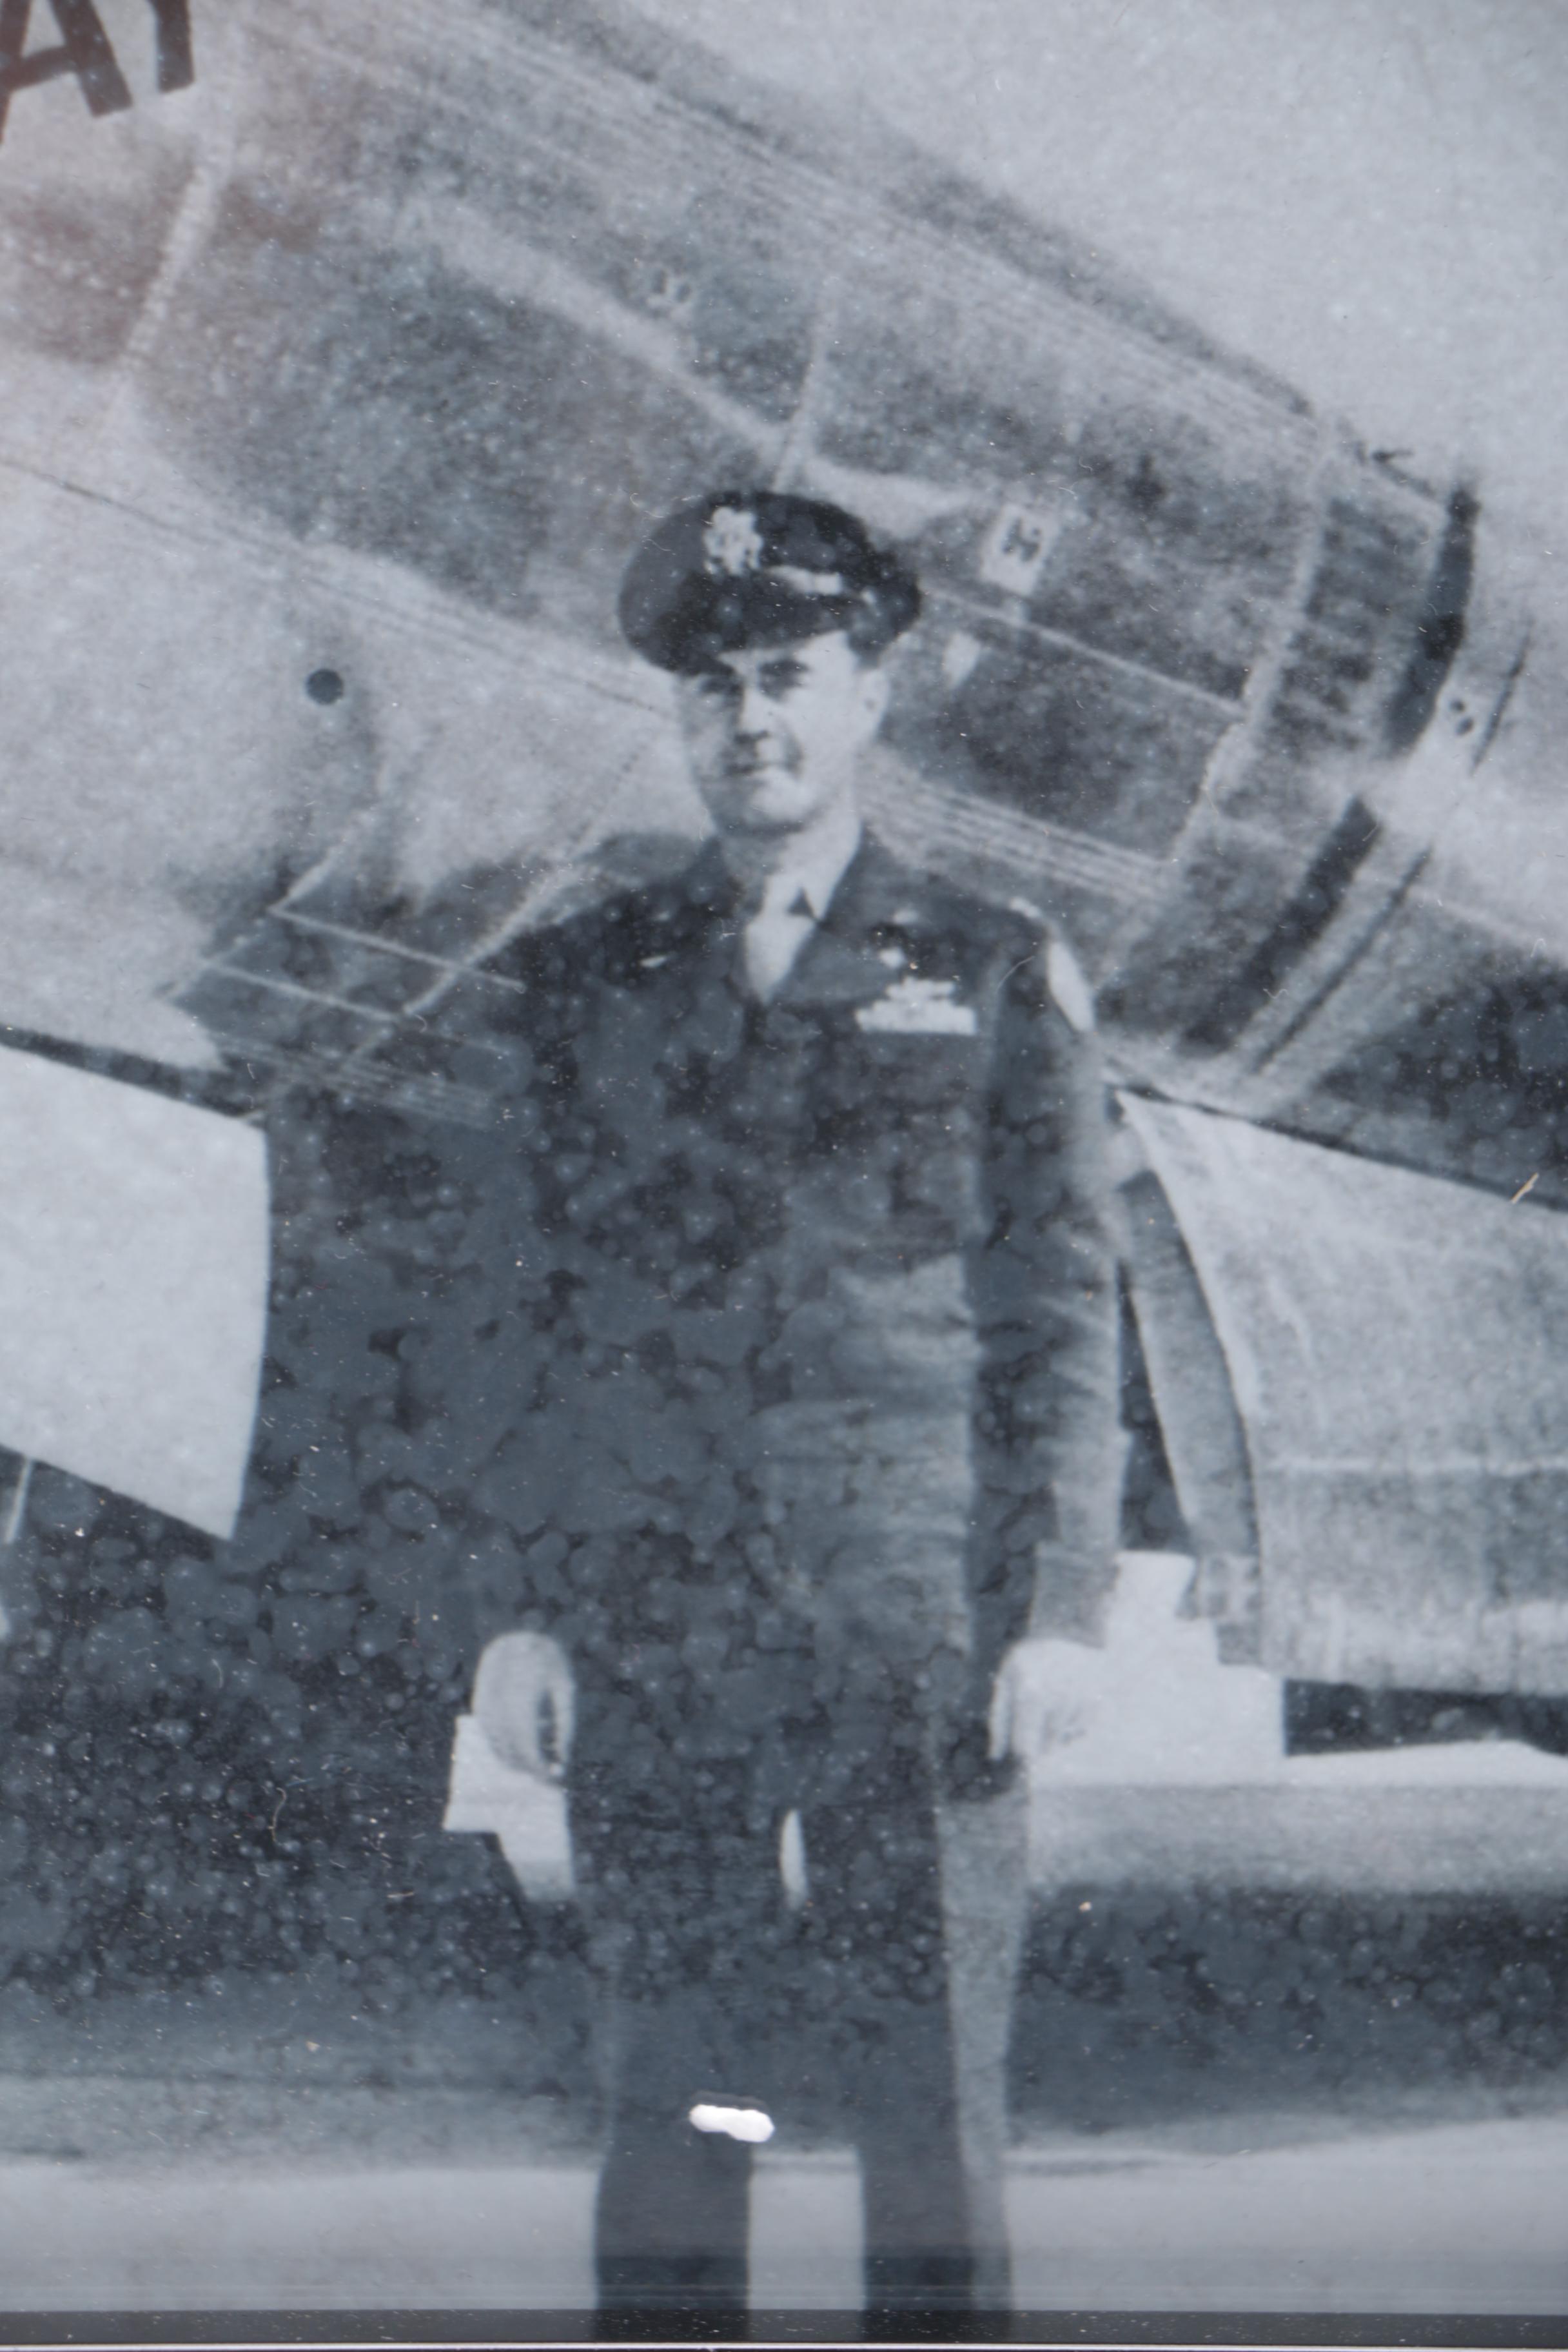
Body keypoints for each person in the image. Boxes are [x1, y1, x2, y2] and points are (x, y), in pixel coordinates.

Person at [472, 489, 1121, 2327]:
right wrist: (517, 1607)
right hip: (659, 1625)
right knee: (683, 2098)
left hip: (909, 1629)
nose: (748, 720)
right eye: (712, 692)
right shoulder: (580, 977)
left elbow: (1062, 1314)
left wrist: (1057, 1609)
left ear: (866, 703)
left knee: (928, 2108)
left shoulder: (991, 968)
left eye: (786, 678)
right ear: (678, 722)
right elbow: (525, 1324)